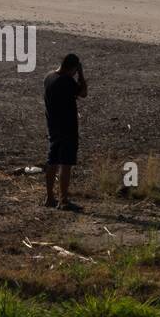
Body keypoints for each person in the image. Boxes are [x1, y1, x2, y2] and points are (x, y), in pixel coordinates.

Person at [43, 53, 88, 210]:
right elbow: (83, 93)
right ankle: (64, 200)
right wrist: (81, 75)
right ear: (73, 68)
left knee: (52, 161)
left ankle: (49, 198)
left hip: (53, 126)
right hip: (67, 128)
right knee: (66, 164)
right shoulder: (67, 81)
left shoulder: (49, 77)